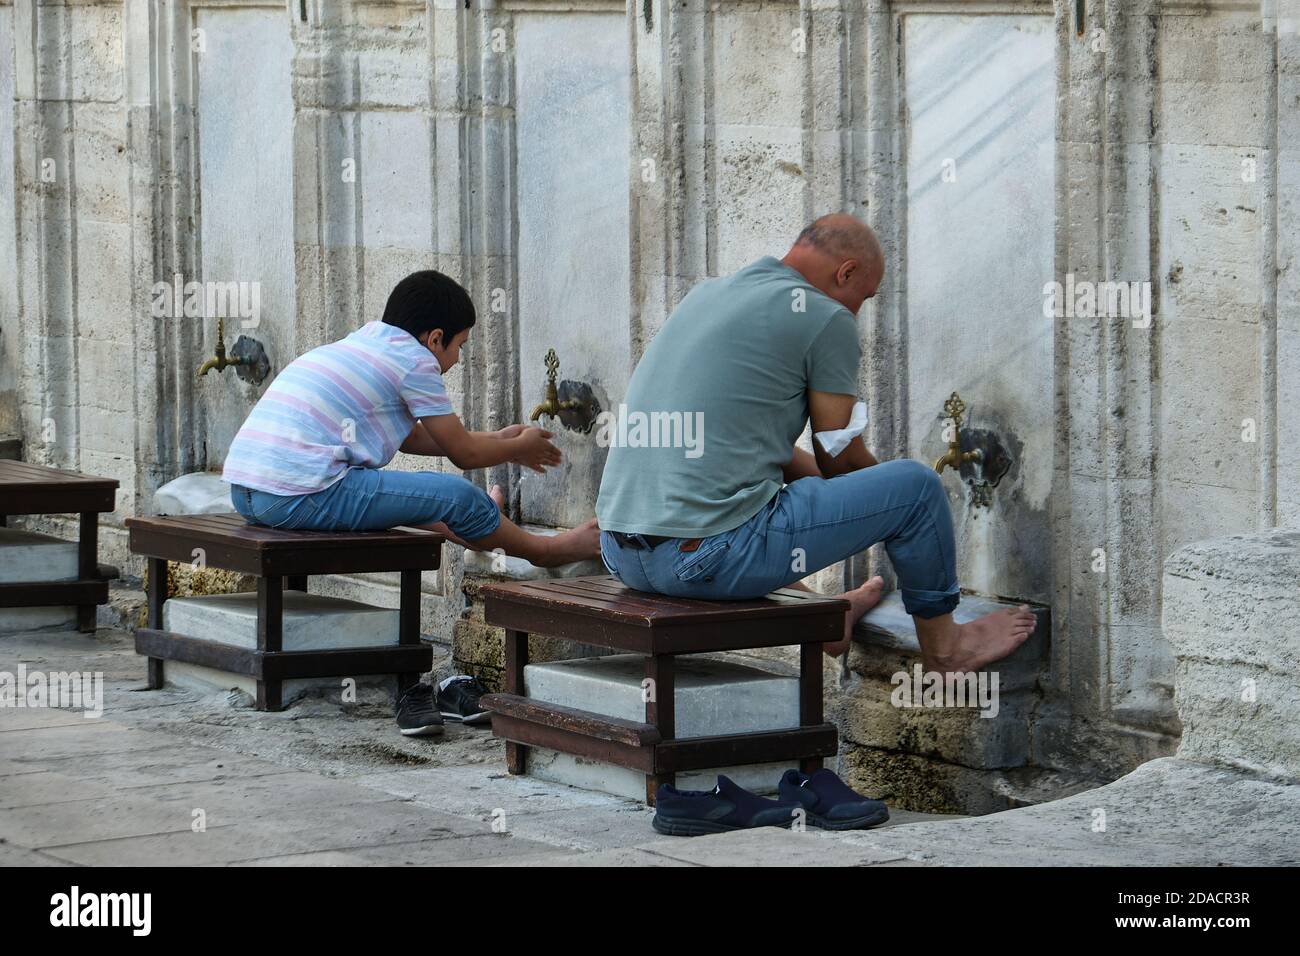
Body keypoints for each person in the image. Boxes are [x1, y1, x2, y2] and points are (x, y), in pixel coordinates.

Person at [595, 214, 1035, 671]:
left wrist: (858, 501)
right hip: (704, 563)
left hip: (621, 555)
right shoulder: (825, 316)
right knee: (918, 489)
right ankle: (947, 648)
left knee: (746, 502)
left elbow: (760, 451)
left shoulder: (707, 295)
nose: (857, 314)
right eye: (862, 298)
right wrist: (907, 513)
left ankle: (829, 618)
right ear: (845, 273)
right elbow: (838, 462)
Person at [222, 270, 600, 735]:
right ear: (434, 338)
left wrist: (495, 439)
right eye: (460, 345)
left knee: (429, 501)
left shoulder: (364, 345)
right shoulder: (414, 361)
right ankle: (550, 549)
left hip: (249, 491)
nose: (458, 359)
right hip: (303, 492)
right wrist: (516, 449)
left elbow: (415, 437)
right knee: (460, 495)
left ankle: (485, 528)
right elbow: (462, 454)